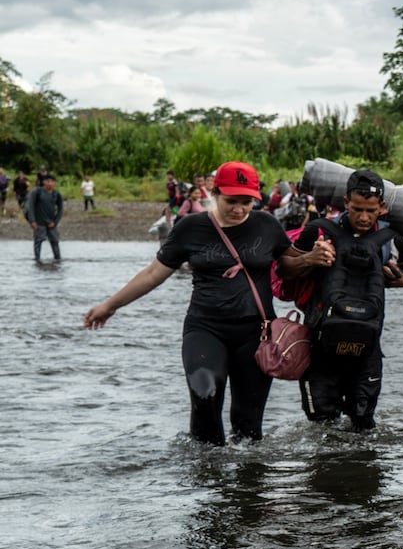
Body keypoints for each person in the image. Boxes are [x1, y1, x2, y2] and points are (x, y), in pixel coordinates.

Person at [83, 161, 323, 445]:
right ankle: (206, 468)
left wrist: (311, 258)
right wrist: (110, 306)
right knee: (205, 395)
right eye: (231, 201)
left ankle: (248, 473)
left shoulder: (267, 225)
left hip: (256, 334)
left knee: (248, 424)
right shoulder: (190, 227)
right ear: (215, 193)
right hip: (205, 329)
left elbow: (287, 267)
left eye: (246, 202)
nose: (238, 209)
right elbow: (152, 274)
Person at [288, 169, 403, 431]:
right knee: (321, 423)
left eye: (371, 210)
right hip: (320, 346)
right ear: (345, 203)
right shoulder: (319, 232)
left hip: (367, 347)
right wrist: (309, 259)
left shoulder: (390, 239)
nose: (363, 217)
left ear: (382, 207)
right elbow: (283, 268)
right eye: (357, 209)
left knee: (363, 421)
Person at [24, 173, 63, 263]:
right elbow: (30, 206)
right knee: (38, 241)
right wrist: (32, 221)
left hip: (51, 223)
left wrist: (55, 222)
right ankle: (37, 260)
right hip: (39, 222)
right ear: (44, 182)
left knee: (55, 241)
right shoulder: (37, 192)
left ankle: (58, 260)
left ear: (55, 183)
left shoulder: (57, 194)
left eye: (52, 181)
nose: (49, 183)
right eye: (47, 181)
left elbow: (60, 210)